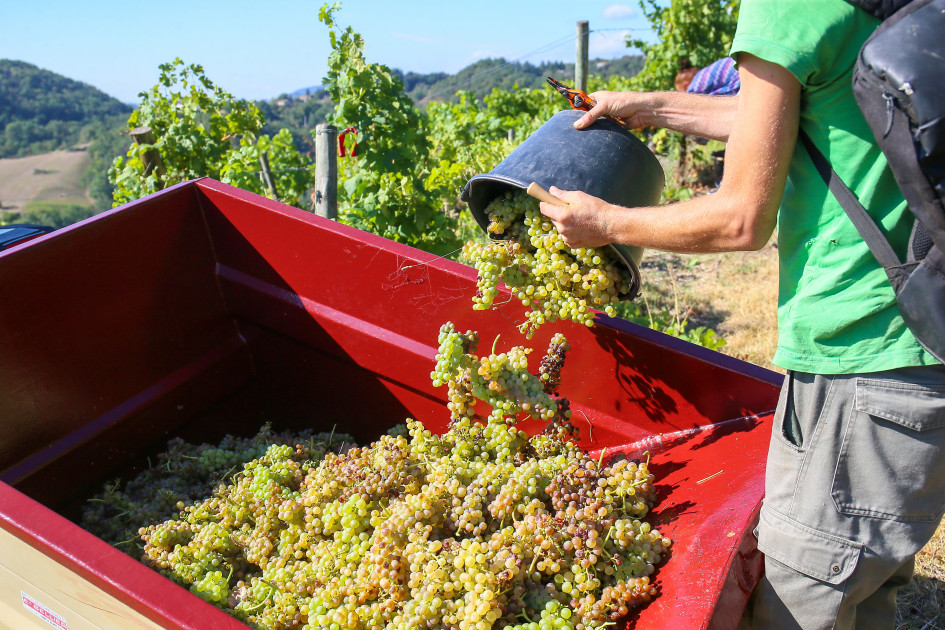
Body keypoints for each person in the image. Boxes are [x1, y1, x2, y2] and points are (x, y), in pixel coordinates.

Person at [537, 1, 945, 629]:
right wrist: (649, 106)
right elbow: (787, 115)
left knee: (798, 599)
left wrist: (605, 223)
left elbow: (740, 220)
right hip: (921, 334)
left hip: (863, 356)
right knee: (862, 592)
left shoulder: (785, 6)